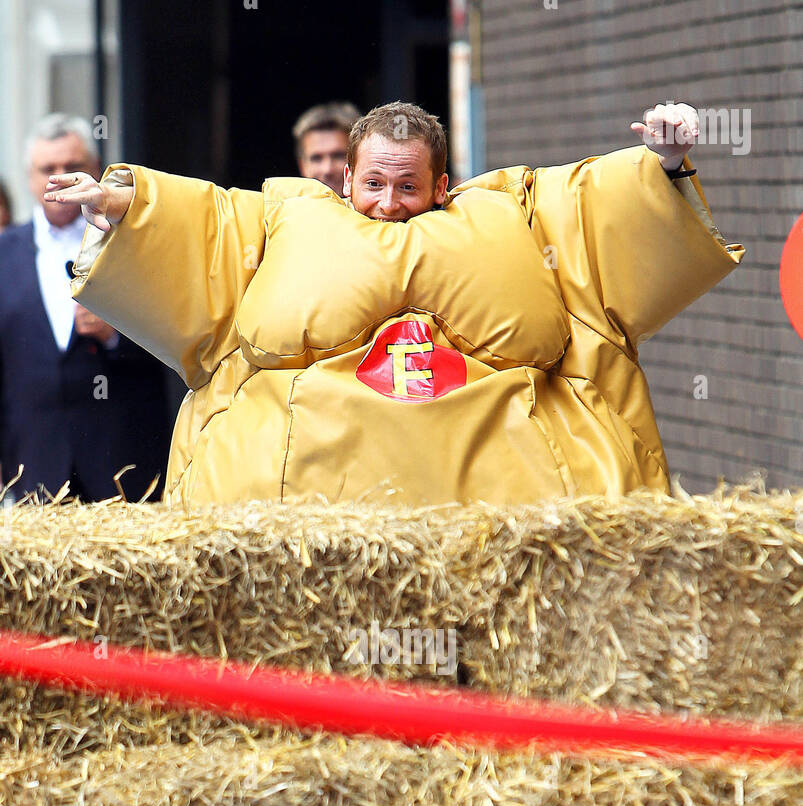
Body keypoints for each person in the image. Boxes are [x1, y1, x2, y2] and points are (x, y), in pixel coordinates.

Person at [59, 100, 744, 508]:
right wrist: (121, 203)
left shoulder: (512, 215)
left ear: (443, 183)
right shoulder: (283, 221)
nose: (388, 205)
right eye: (374, 184)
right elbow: (203, 224)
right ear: (345, 178)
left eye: (409, 186)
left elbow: (594, 211)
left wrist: (661, 162)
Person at [0, 113, 172, 502]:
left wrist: (115, 337)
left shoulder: (132, 245)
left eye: (72, 167)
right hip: (34, 470)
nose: (60, 177)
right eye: (48, 168)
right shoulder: (4, 252)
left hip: (123, 468)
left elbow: (176, 342)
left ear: (95, 171)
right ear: (30, 177)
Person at [293, 101, 361, 197]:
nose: (327, 169)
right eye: (316, 158)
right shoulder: (282, 211)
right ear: (302, 165)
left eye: (338, 156)